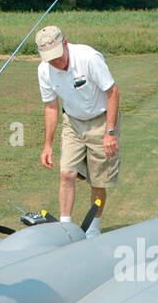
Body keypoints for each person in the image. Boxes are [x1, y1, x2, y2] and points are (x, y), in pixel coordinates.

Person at [35, 25, 120, 237]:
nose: (56, 62)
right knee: (66, 173)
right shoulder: (44, 70)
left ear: (65, 43)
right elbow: (51, 107)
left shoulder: (89, 58)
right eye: (50, 58)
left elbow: (112, 92)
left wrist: (110, 132)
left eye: (58, 56)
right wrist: (47, 145)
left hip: (101, 121)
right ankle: (66, 229)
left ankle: (93, 229)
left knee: (98, 181)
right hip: (72, 122)